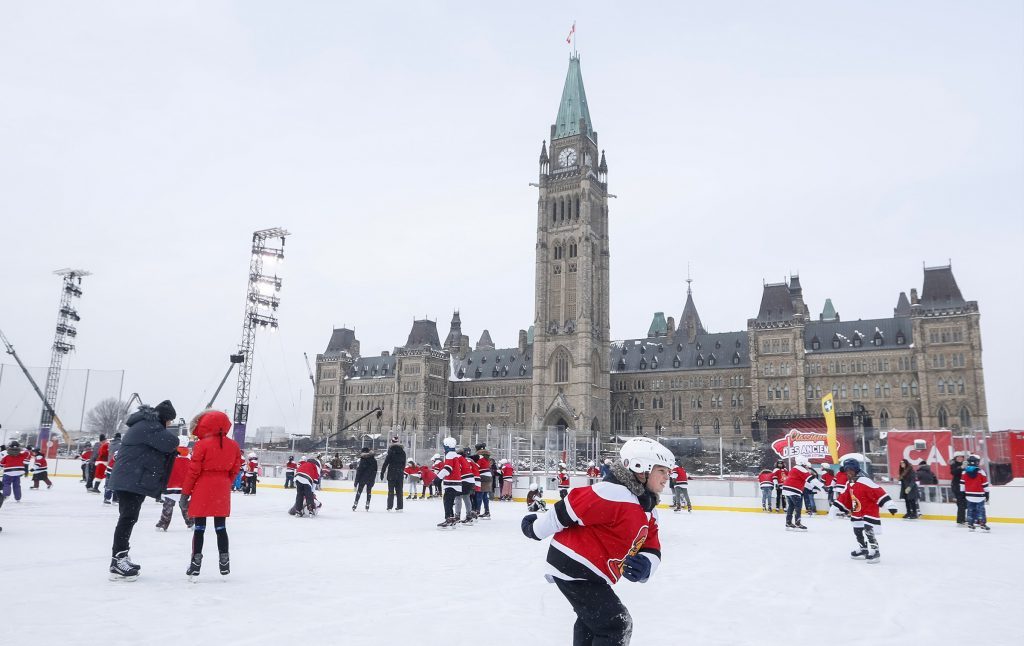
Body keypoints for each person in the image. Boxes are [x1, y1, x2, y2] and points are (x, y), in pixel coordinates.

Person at [521, 437, 672, 646]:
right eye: (662, 471)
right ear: (641, 468)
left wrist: (646, 565)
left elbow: (651, 546)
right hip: (574, 567)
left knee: (591, 624)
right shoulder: (611, 493)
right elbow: (564, 511)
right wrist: (535, 530)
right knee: (616, 625)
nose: (667, 477)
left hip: (596, 574)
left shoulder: (648, 509)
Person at [106, 400, 180, 580]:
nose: (169, 425)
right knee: (127, 518)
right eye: (169, 421)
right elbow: (171, 442)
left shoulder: (145, 424)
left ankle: (121, 555)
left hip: (131, 478)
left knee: (129, 518)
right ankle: (118, 561)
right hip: (130, 479)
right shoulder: (150, 426)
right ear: (163, 417)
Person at [180, 410, 240, 579]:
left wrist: (185, 494)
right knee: (221, 528)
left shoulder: (202, 445)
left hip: (202, 487)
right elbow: (235, 468)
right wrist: (225, 480)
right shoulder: (233, 446)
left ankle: (195, 564)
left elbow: (193, 471)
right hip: (222, 488)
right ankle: (224, 562)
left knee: (199, 528)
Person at [830, 457, 898, 563]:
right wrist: (834, 508)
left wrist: (890, 505)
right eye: (846, 471)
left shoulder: (865, 481)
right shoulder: (849, 483)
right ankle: (863, 548)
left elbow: (878, 491)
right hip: (857, 510)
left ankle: (875, 551)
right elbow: (844, 496)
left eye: (850, 470)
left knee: (868, 530)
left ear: (856, 470)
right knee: (857, 530)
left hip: (868, 510)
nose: (848, 473)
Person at [156, 440, 194, 531]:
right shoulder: (191, 457)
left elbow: (164, 470)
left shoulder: (171, 456)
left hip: (171, 485)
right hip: (185, 487)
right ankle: (191, 523)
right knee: (185, 506)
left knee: (168, 506)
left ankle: (163, 524)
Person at [434, 437, 464, 529]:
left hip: (452, 482)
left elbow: (448, 468)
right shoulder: (454, 454)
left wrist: (438, 477)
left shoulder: (450, 455)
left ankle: (449, 519)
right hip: (455, 482)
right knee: (449, 501)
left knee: (447, 501)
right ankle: (451, 519)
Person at [781, 456, 813, 530]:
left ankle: (788, 522)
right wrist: (822, 486)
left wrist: (811, 487)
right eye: (806, 464)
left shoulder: (794, 468)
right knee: (798, 507)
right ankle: (797, 523)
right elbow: (811, 479)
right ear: (802, 463)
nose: (807, 466)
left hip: (787, 489)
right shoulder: (801, 469)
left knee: (791, 506)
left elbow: (805, 482)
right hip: (794, 490)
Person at [961, 455, 991, 532]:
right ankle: (982, 524)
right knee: (981, 510)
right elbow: (985, 484)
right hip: (979, 495)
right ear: (977, 462)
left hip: (969, 495)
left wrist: (963, 493)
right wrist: (987, 493)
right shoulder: (981, 472)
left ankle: (971, 524)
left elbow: (962, 484)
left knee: (970, 510)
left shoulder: (964, 472)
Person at [379, 435, 407, 511]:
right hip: (400, 473)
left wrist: (382, 472)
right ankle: (400, 507)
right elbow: (404, 464)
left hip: (392, 473)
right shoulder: (403, 452)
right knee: (399, 491)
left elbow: (386, 463)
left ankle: (389, 507)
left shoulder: (391, 451)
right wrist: (401, 471)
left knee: (391, 491)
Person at [352, 446, 377, 511]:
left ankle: (355, 503)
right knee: (369, 491)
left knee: (359, 491)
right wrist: (373, 480)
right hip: (370, 478)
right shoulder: (374, 460)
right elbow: (375, 471)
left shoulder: (363, 460)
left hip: (362, 478)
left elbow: (359, 472)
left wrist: (355, 483)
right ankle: (367, 503)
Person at [476, 443, 493, 518]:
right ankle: (487, 511)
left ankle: (477, 511)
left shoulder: (479, 457)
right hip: (488, 475)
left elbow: (477, 466)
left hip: (482, 476)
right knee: (485, 495)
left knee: (480, 494)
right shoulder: (487, 457)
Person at [950, 452, 967, 526]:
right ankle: (960, 520)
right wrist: (961, 467)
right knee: (961, 504)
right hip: (957, 486)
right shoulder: (954, 464)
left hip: (964, 486)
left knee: (964, 504)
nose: (960, 458)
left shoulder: (965, 464)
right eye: (958, 457)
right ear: (955, 458)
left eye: (961, 457)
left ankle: (963, 518)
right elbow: (953, 472)